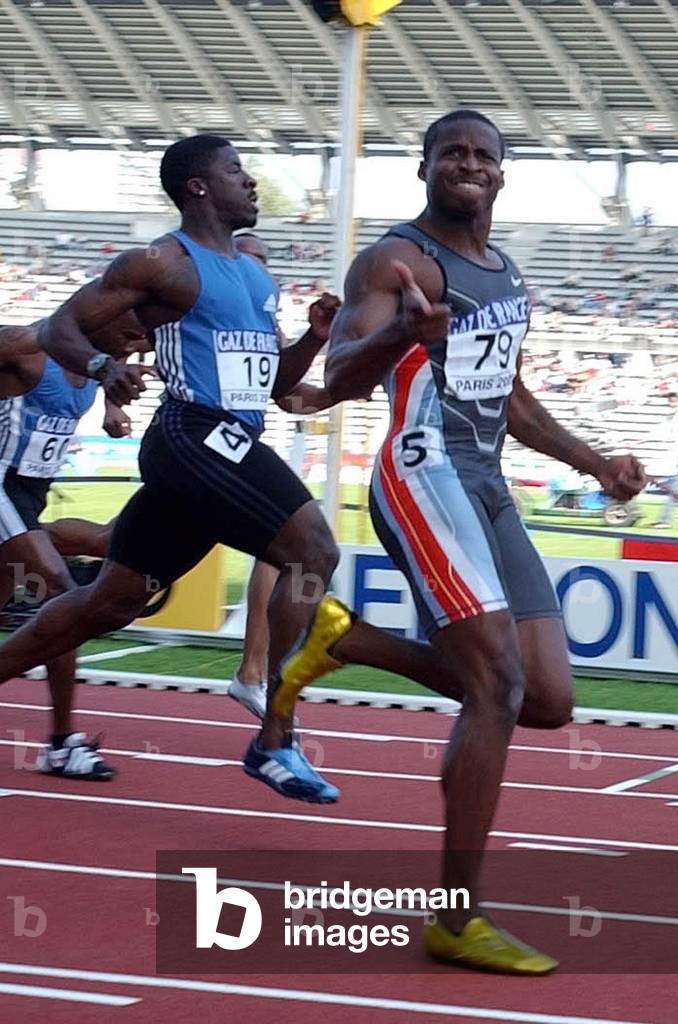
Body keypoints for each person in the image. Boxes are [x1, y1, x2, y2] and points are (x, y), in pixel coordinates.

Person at [324, 110, 647, 972]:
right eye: (451, 153)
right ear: (424, 167)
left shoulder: (503, 274)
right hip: (421, 476)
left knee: (546, 699)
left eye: (483, 155)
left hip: (487, 485)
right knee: (496, 685)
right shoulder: (395, 262)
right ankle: (457, 918)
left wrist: (593, 462)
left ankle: (346, 639)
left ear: (501, 175)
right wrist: (399, 332)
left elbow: (506, 393)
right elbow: (336, 373)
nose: (467, 164)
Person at [0, 134, 356, 805]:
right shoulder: (163, 262)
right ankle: (272, 726)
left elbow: (274, 388)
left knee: (109, 603)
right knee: (313, 546)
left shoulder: (254, 277)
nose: (250, 183)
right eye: (236, 171)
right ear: (198, 187)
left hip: (224, 440)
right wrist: (105, 368)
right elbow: (58, 329)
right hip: (190, 435)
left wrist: (311, 337)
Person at [0, 313, 148, 778]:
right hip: (2, 486)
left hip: (31, 494)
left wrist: (112, 407)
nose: (133, 347)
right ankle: (62, 743)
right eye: (127, 335)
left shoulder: (105, 356)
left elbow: (114, 364)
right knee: (64, 598)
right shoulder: (28, 345)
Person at [228, 230, 338, 719]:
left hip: (235, 448)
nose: (258, 267)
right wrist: (105, 368)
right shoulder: (200, 298)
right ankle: (255, 674)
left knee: (114, 594)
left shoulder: (265, 328)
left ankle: (254, 673)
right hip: (202, 447)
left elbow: (284, 396)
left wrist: (340, 389)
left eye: (264, 261)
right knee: (297, 544)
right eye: (248, 258)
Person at [653, 392, 678, 528]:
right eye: (670, 401)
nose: (670, 404)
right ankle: (663, 520)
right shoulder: (670, 417)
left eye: (673, 401)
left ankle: (664, 520)